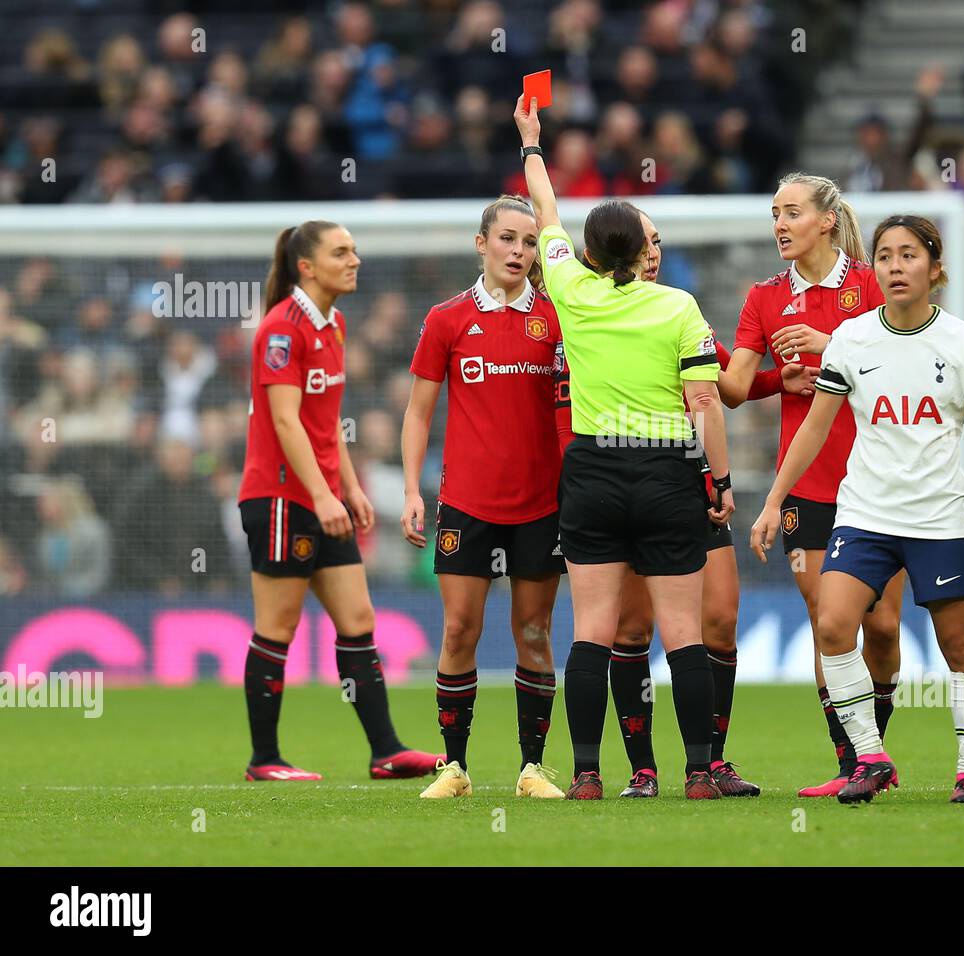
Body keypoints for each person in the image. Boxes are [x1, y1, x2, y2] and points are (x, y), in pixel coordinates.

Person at [751, 214, 964, 805]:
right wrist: (773, 503)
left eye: (909, 256)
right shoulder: (851, 339)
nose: (896, 267)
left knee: (962, 647)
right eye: (886, 257)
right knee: (833, 625)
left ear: (935, 268)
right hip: (865, 516)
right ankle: (870, 756)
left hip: (939, 519)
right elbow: (815, 428)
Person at [515, 93, 734, 800]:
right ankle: (699, 771)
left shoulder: (571, 289)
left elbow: (546, 213)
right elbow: (705, 402)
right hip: (668, 472)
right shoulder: (677, 307)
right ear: (643, 251)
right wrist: (720, 483)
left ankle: (585, 774)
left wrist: (531, 144)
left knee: (593, 632)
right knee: (682, 633)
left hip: (594, 470)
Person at [554, 208, 811, 798]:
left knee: (717, 621)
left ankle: (707, 763)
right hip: (659, 477)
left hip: (658, 480)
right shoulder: (579, 306)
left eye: (660, 241)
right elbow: (706, 403)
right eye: (646, 242)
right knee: (637, 628)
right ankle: (645, 768)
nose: (655, 251)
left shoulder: (669, 307)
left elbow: (725, 387)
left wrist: (777, 380)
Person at [720, 172, 906, 798]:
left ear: (826, 220)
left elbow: (908, 365)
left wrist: (835, 348)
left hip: (882, 480)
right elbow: (736, 389)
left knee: (880, 627)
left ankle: (873, 748)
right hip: (807, 488)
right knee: (830, 622)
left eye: (792, 212)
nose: (779, 224)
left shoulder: (872, 284)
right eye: (774, 213)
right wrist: (779, 376)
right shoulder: (765, 297)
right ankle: (857, 760)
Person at [237, 219, 443, 781]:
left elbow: (325, 424)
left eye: (354, 250)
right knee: (277, 626)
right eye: (341, 252)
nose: (355, 260)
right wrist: (325, 493)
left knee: (358, 618)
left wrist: (348, 488)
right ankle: (265, 759)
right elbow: (285, 420)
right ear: (307, 266)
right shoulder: (282, 329)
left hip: (324, 495)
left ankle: (386, 751)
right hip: (281, 497)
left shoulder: (335, 325)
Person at [401, 195, 567, 800]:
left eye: (529, 242)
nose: (519, 252)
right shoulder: (446, 319)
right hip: (466, 504)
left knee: (534, 632)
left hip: (542, 504)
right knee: (458, 631)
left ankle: (532, 768)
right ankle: (454, 767)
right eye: (507, 239)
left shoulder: (556, 319)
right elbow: (418, 413)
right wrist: (410, 490)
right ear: (482, 243)